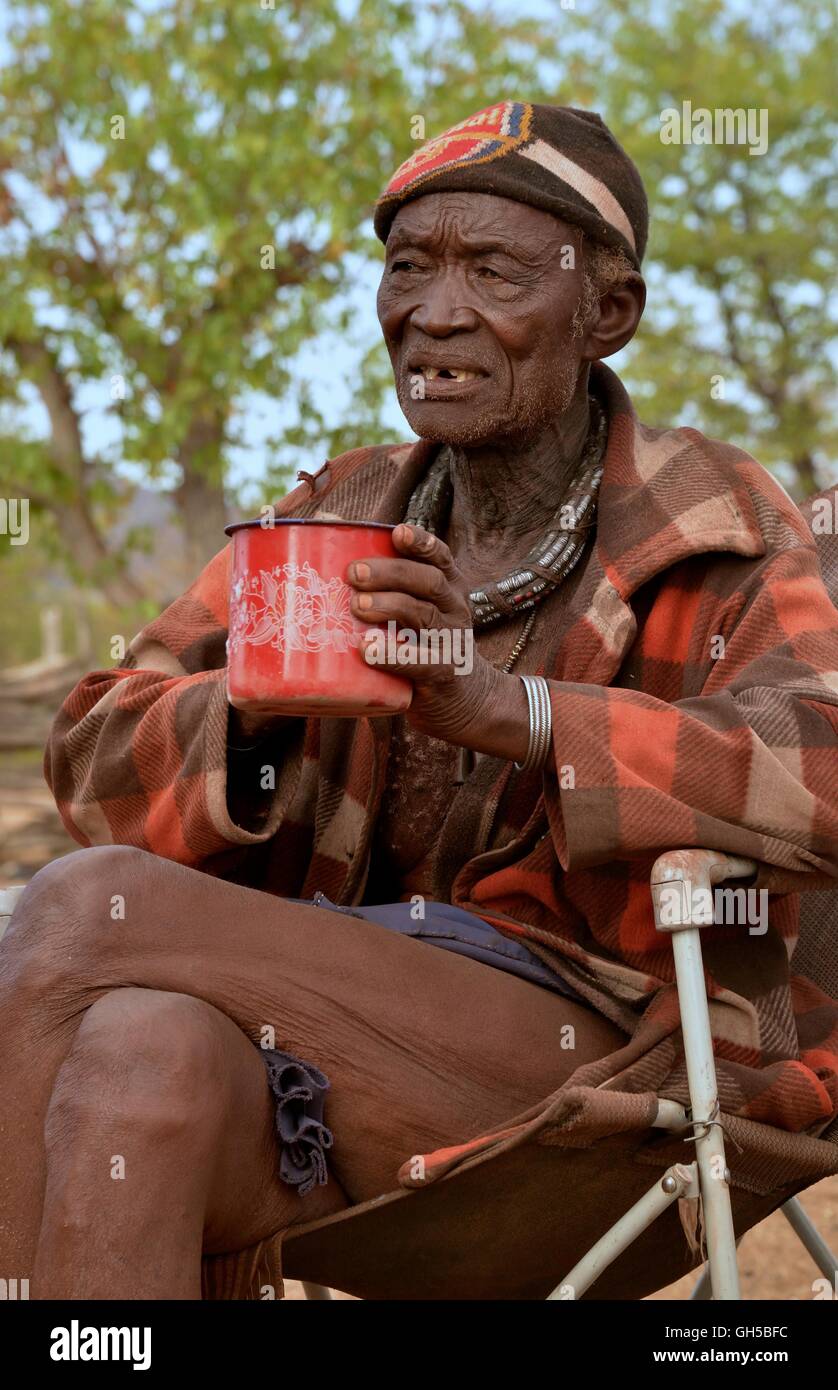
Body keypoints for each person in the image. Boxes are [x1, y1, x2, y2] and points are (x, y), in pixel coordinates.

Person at [2, 102, 838, 1300]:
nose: (433, 312)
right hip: (337, 1060)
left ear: (607, 313)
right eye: (408, 267)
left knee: (88, 910)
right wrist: (250, 711)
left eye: (491, 270)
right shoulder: (329, 517)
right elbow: (90, 749)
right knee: (146, 1056)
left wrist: (517, 712)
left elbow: (824, 762)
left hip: (604, 1071)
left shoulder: (710, 523)